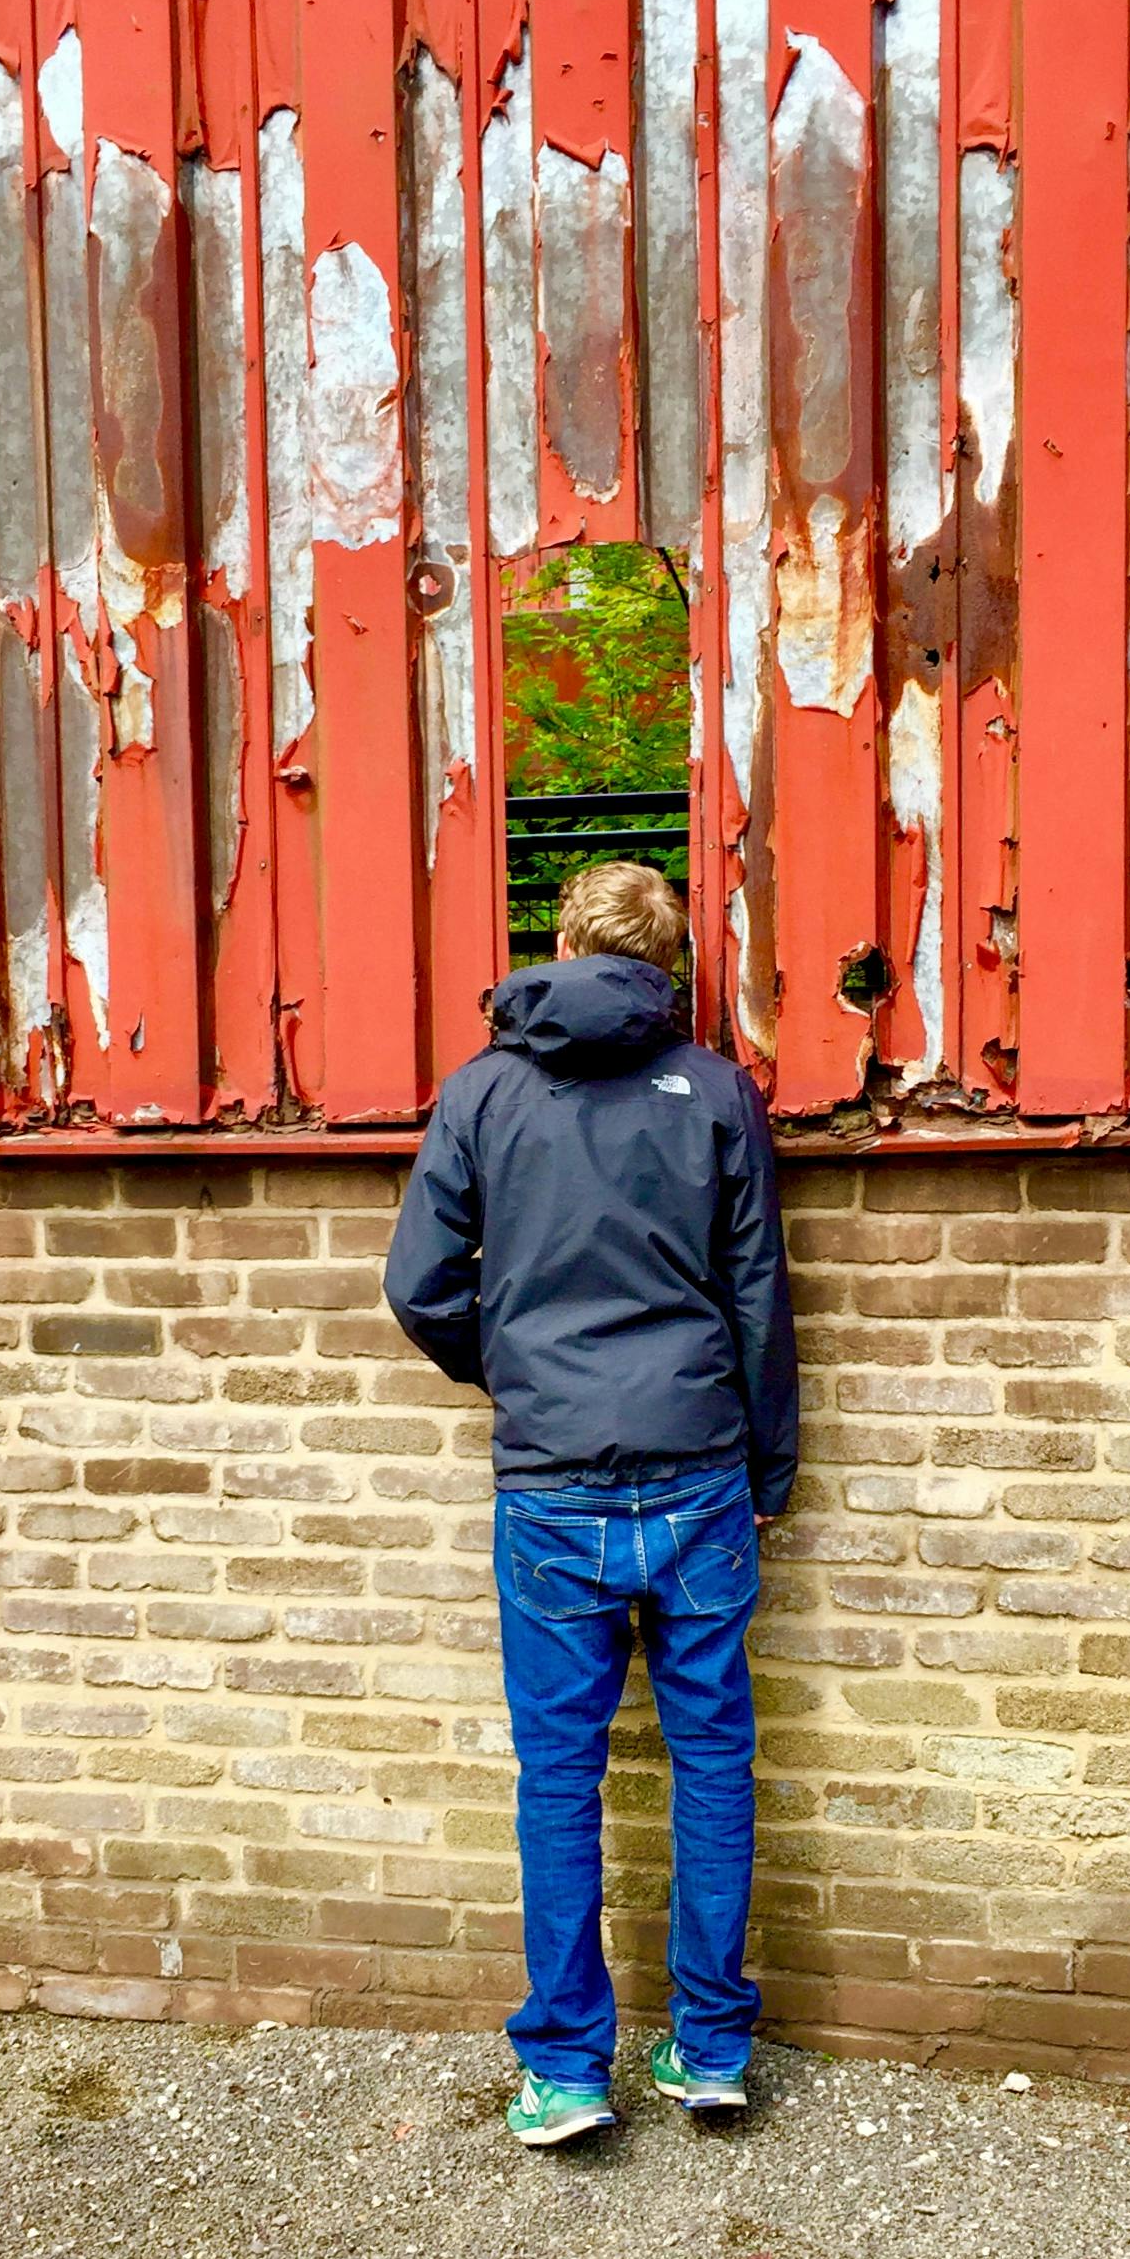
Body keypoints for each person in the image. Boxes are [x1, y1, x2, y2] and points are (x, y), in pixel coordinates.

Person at [383, 860, 798, 2147]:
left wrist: (516, 1373)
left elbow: (418, 1284)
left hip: (552, 1479)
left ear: (560, 943)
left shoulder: (484, 1092)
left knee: (558, 1776)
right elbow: (757, 1301)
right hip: (695, 1474)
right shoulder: (717, 1092)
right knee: (714, 1759)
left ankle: (567, 2070)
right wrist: (767, 1470)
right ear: (669, 963)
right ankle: (711, 2049)